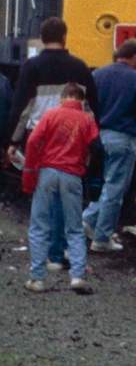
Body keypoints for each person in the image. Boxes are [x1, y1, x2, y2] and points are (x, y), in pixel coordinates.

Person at [5, 18, 100, 270]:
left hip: (42, 137)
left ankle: (51, 251)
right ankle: (60, 250)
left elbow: (22, 108)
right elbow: (91, 108)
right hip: (73, 138)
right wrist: (92, 141)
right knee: (67, 197)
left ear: (43, 38)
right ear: (65, 37)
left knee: (44, 195)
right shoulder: (80, 67)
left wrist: (12, 141)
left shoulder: (32, 67)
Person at [21, 83, 98, 294]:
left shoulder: (50, 114)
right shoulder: (87, 119)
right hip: (73, 175)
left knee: (39, 226)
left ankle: (37, 278)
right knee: (73, 228)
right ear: (81, 100)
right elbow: (96, 146)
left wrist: (30, 169)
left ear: (63, 97)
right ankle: (77, 276)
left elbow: (33, 141)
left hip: (47, 173)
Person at [80, 39, 136, 252]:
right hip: (123, 138)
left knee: (105, 185)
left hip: (99, 136)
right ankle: (102, 238)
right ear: (135, 56)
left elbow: (86, 105)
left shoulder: (97, 75)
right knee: (115, 189)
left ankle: (87, 222)